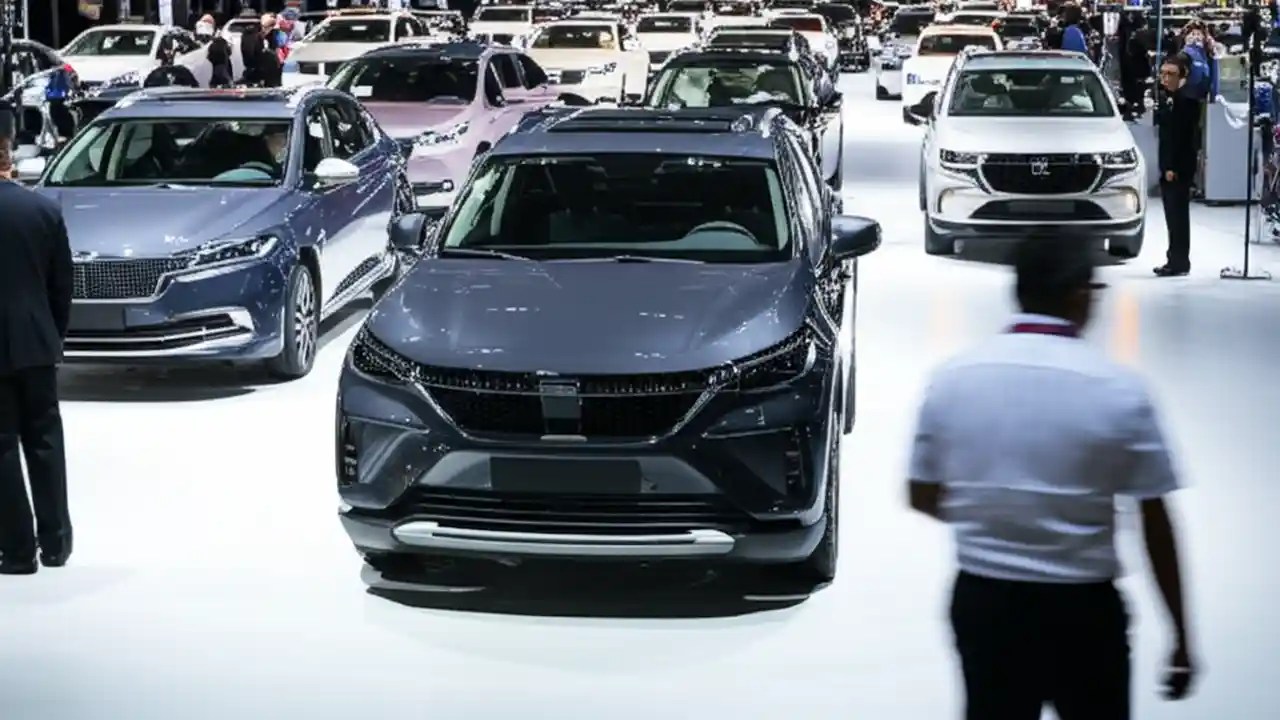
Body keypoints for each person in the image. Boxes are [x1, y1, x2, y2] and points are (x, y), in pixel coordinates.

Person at [907, 234, 1197, 720]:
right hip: (1084, 612)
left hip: (985, 602)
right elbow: (1155, 520)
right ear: (1080, 294)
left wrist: (999, 516)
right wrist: (1182, 636)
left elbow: (920, 494)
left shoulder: (954, 379)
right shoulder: (1120, 389)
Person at [0, 132, 74, 575]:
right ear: (8, 159)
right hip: (37, 342)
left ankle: (17, 550)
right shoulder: (44, 210)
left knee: (2, 447)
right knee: (45, 439)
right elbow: (62, 286)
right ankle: (56, 543)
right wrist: (52, 337)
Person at [1155, 55, 1200, 277]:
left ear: (1183, 76)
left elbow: (1184, 139)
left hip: (1177, 168)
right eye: (1163, 74)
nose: (1165, 78)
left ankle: (1179, 260)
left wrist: (1173, 167)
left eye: (1171, 74)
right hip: (1169, 166)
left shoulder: (1187, 103)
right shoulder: (1168, 99)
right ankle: (1175, 258)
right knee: (1172, 216)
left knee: (1178, 216)